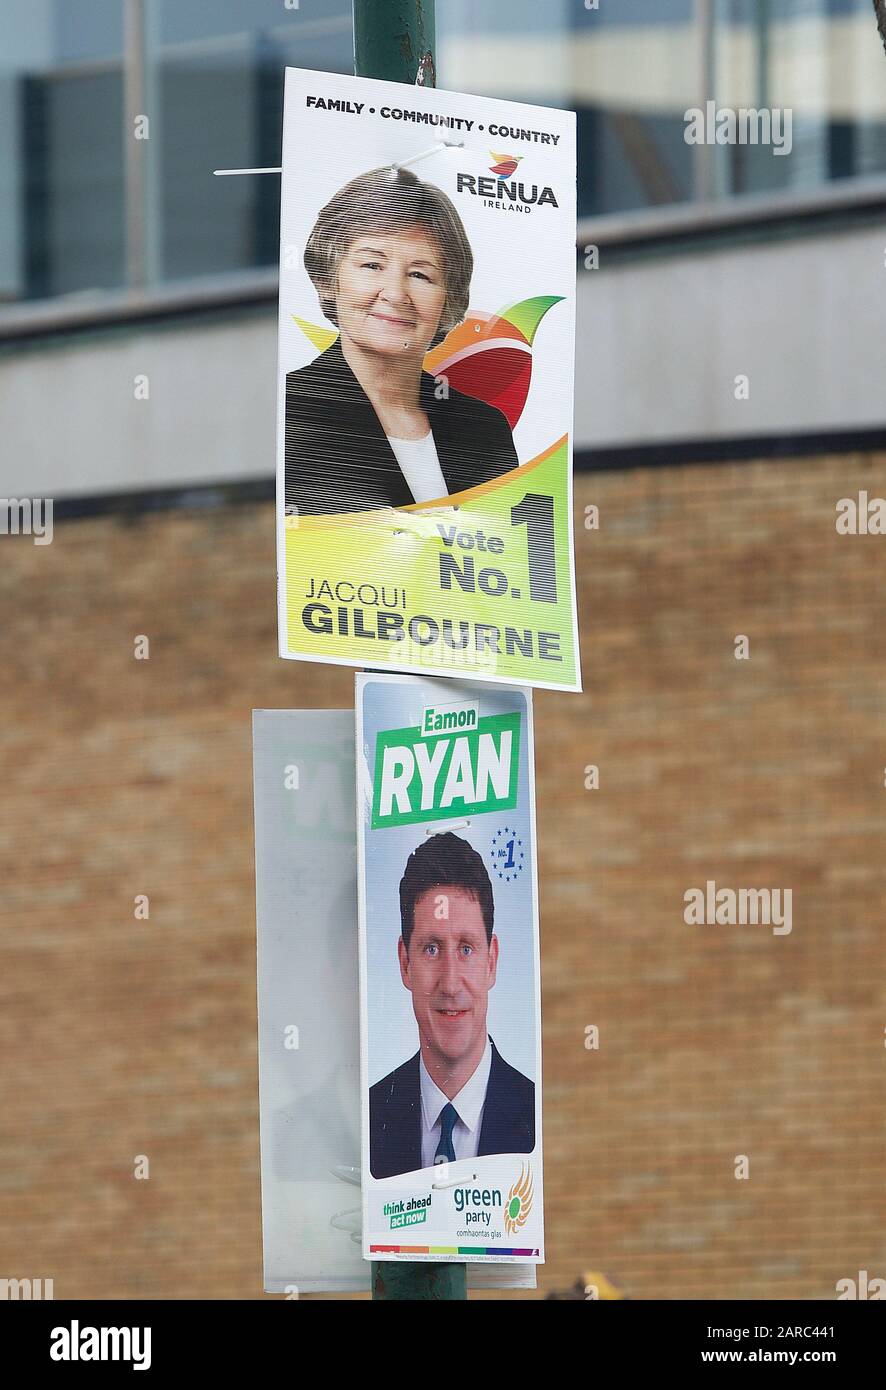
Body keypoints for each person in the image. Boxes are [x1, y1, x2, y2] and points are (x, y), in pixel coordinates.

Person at [284, 166, 519, 517]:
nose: (396, 294)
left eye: (420, 275)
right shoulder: (288, 410)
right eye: (372, 265)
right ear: (329, 280)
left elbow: (525, 556)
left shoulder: (485, 428)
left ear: (447, 301)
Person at [369, 832, 535, 1180]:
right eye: (431, 948)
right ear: (405, 963)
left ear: (491, 962)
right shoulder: (367, 1117)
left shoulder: (540, 1115)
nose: (450, 983)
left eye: (466, 949)